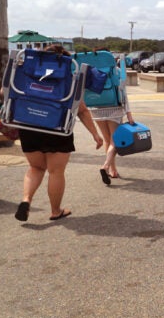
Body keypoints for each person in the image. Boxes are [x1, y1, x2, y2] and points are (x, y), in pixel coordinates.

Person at [14, 45, 104, 222]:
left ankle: (26, 200)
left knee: (35, 168)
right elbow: (83, 110)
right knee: (56, 172)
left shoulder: (29, 73)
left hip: (29, 126)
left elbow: (5, 92)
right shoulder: (68, 79)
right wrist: (95, 134)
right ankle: (56, 211)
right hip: (57, 128)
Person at [89, 48, 134, 184]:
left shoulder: (91, 71)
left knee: (107, 140)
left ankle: (112, 170)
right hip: (113, 108)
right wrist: (129, 115)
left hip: (96, 108)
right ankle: (106, 166)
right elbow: (123, 95)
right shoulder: (116, 71)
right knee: (115, 141)